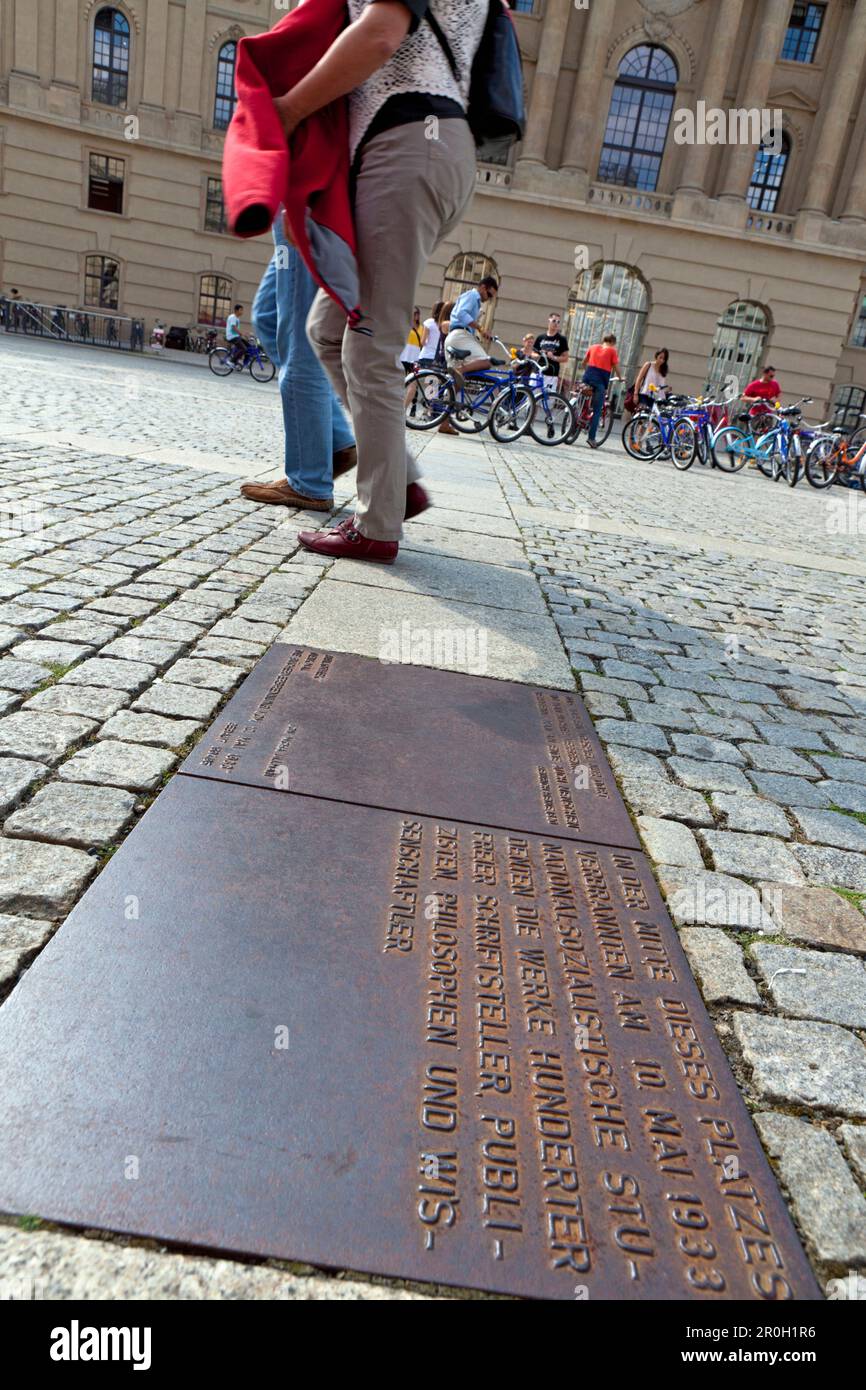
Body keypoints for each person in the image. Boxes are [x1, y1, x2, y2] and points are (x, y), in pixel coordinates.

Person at [274, 0, 487, 565]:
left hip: (411, 143)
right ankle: (400, 482)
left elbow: (383, 34)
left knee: (371, 344)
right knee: (327, 326)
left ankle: (377, 523)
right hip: (421, 147)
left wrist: (290, 110)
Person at [240, 214, 356, 511]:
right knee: (267, 318)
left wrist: (298, 201)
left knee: (300, 339)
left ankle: (310, 481)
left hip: (303, 202)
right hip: (296, 203)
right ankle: (337, 444)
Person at [444, 274, 499, 375]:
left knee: (458, 382)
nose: (488, 299)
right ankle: (459, 371)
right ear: (483, 287)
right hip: (460, 335)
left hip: (457, 336)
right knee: (486, 361)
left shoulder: (474, 300)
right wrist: (480, 328)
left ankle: (455, 381)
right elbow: (461, 313)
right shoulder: (472, 295)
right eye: (489, 295)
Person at [582, 332, 622, 447]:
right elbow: (616, 367)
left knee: (584, 401)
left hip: (587, 378)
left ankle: (578, 417)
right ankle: (591, 438)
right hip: (599, 382)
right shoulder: (612, 351)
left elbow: (583, 363)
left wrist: (587, 372)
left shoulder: (593, 347)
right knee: (597, 410)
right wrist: (620, 378)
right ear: (613, 342)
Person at [533, 313, 569, 393]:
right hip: (538, 372)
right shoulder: (541, 337)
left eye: (558, 322)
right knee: (532, 398)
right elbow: (533, 353)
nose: (556, 323)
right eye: (554, 321)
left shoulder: (562, 339)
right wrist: (539, 355)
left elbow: (565, 358)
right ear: (549, 321)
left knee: (547, 401)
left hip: (552, 374)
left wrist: (553, 357)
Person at [401, 306, 423, 375]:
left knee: (413, 379)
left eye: (417, 313)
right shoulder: (404, 325)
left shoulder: (422, 328)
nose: (416, 315)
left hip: (415, 357)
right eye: (414, 313)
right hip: (403, 356)